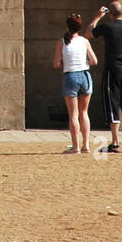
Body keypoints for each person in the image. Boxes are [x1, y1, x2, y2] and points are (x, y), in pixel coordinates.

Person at [86, 1, 122, 152]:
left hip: (112, 69)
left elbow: (88, 33)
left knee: (112, 103)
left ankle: (115, 142)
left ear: (110, 13)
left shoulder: (107, 27)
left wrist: (97, 17)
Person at [53, 12, 97, 154]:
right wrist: (84, 62)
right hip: (85, 75)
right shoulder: (84, 41)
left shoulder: (61, 42)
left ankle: (75, 146)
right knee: (84, 112)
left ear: (67, 26)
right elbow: (94, 61)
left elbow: (56, 63)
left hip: (70, 75)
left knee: (73, 114)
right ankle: (86, 145)